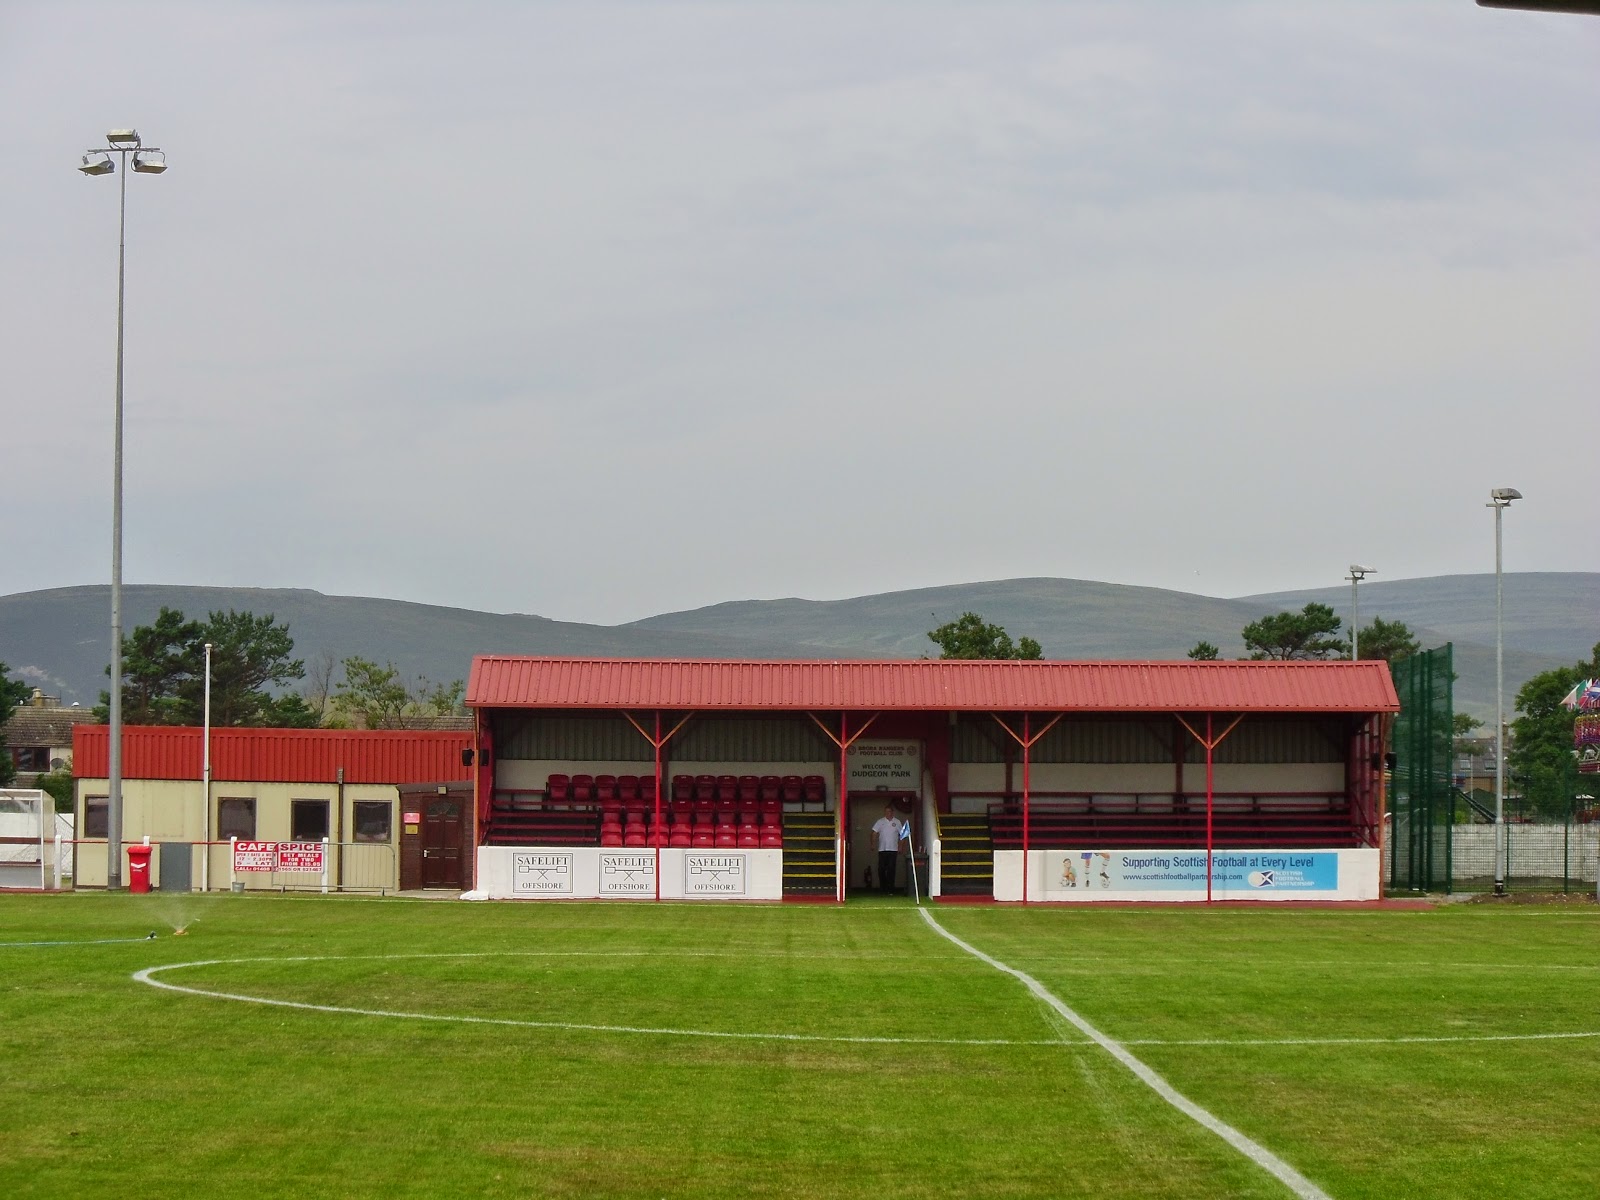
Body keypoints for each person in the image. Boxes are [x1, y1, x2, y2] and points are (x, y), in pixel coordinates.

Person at [870, 804, 902, 896]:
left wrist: (900, 847)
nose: (887, 813)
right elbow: (874, 833)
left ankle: (890, 889)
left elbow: (902, 836)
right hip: (882, 849)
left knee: (891, 869)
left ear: (892, 812)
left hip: (893, 849)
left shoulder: (897, 822)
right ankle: (883, 888)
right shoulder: (880, 822)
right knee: (881, 869)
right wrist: (872, 844)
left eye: (889, 811)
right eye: (886, 812)